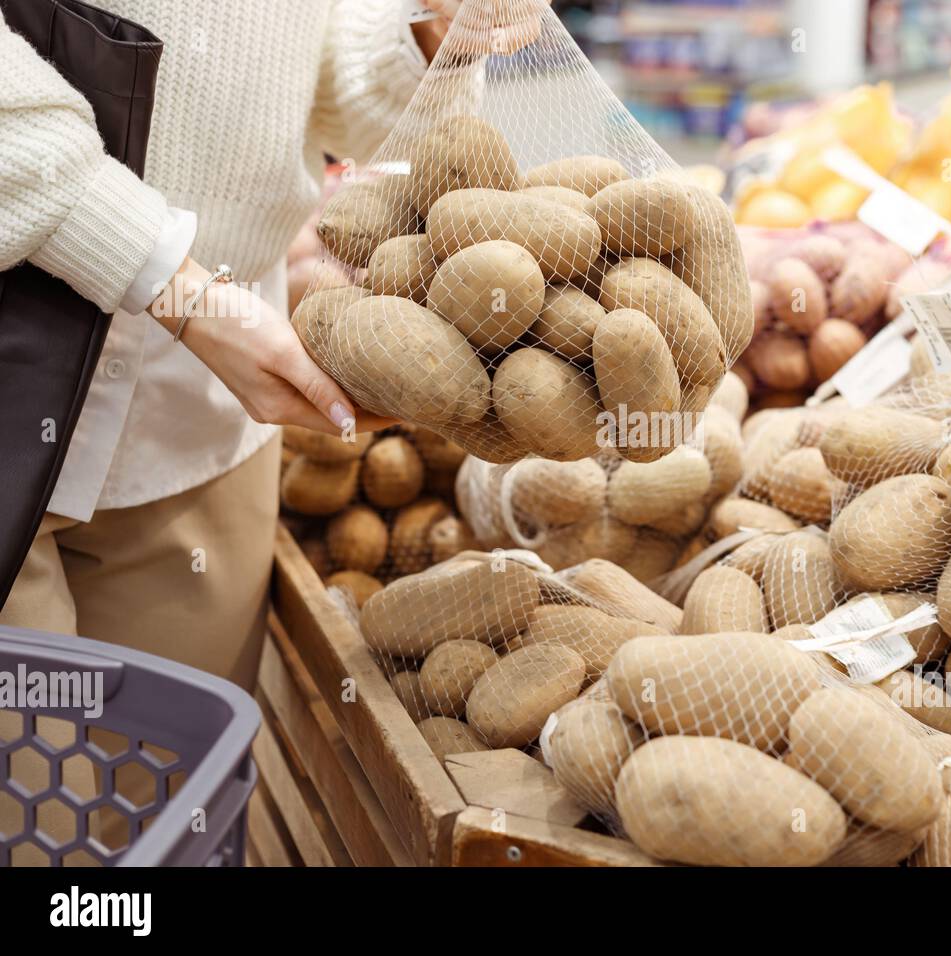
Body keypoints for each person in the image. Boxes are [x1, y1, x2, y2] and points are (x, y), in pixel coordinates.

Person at [0, 0, 546, 692]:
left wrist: (419, 38)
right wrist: (168, 282)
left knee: (174, 779)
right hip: (32, 350)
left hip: (210, 403)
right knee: (31, 794)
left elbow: (306, 61)